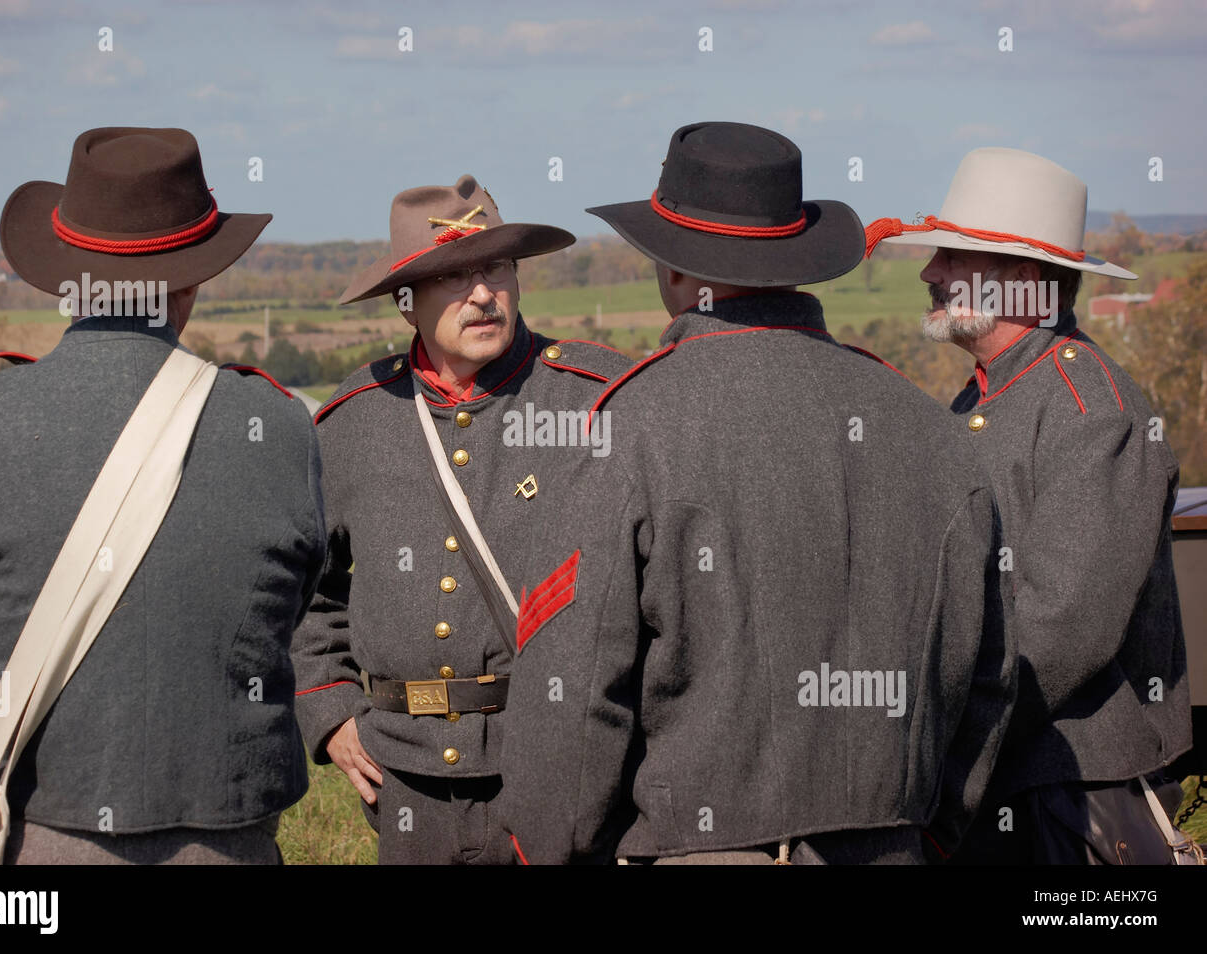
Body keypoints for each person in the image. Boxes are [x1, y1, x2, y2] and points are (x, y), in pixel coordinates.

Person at [499, 121, 1017, 865]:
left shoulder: (631, 425)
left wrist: (551, 848)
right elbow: (988, 675)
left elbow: (574, 692)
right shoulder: (927, 423)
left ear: (673, 270)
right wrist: (927, 833)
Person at [0, 127, 326, 864]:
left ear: (65, 272)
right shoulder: (280, 428)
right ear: (196, 276)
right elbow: (291, 599)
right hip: (223, 841)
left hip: (17, 838)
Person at [292, 174, 631, 864]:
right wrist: (328, 709)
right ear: (405, 302)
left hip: (561, 771)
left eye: (496, 268)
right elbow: (303, 589)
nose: (483, 293)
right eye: (453, 276)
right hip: (404, 785)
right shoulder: (355, 419)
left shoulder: (599, 403)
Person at [866, 147, 1193, 863]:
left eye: (953, 256)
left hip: (1071, 803)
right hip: (1004, 791)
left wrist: (933, 750)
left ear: (1021, 277)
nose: (929, 273)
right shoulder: (990, 394)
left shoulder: (1091, 411)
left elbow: (1059, 635)